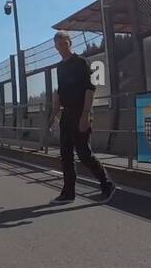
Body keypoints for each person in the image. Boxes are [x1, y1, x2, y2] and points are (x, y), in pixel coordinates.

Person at [48, 31, 115, 203]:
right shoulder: (60, 68)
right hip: (67, 114)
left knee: (84, 153)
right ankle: (68, 192)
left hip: (81, 111)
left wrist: (85, 115)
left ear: (70, 43)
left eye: (64, 43)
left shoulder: (80, 62)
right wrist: (53, 115)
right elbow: (60, 93)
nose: (61, 48)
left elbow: (89, 89)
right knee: (66, 154)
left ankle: (107, 184)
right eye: (58, 45)